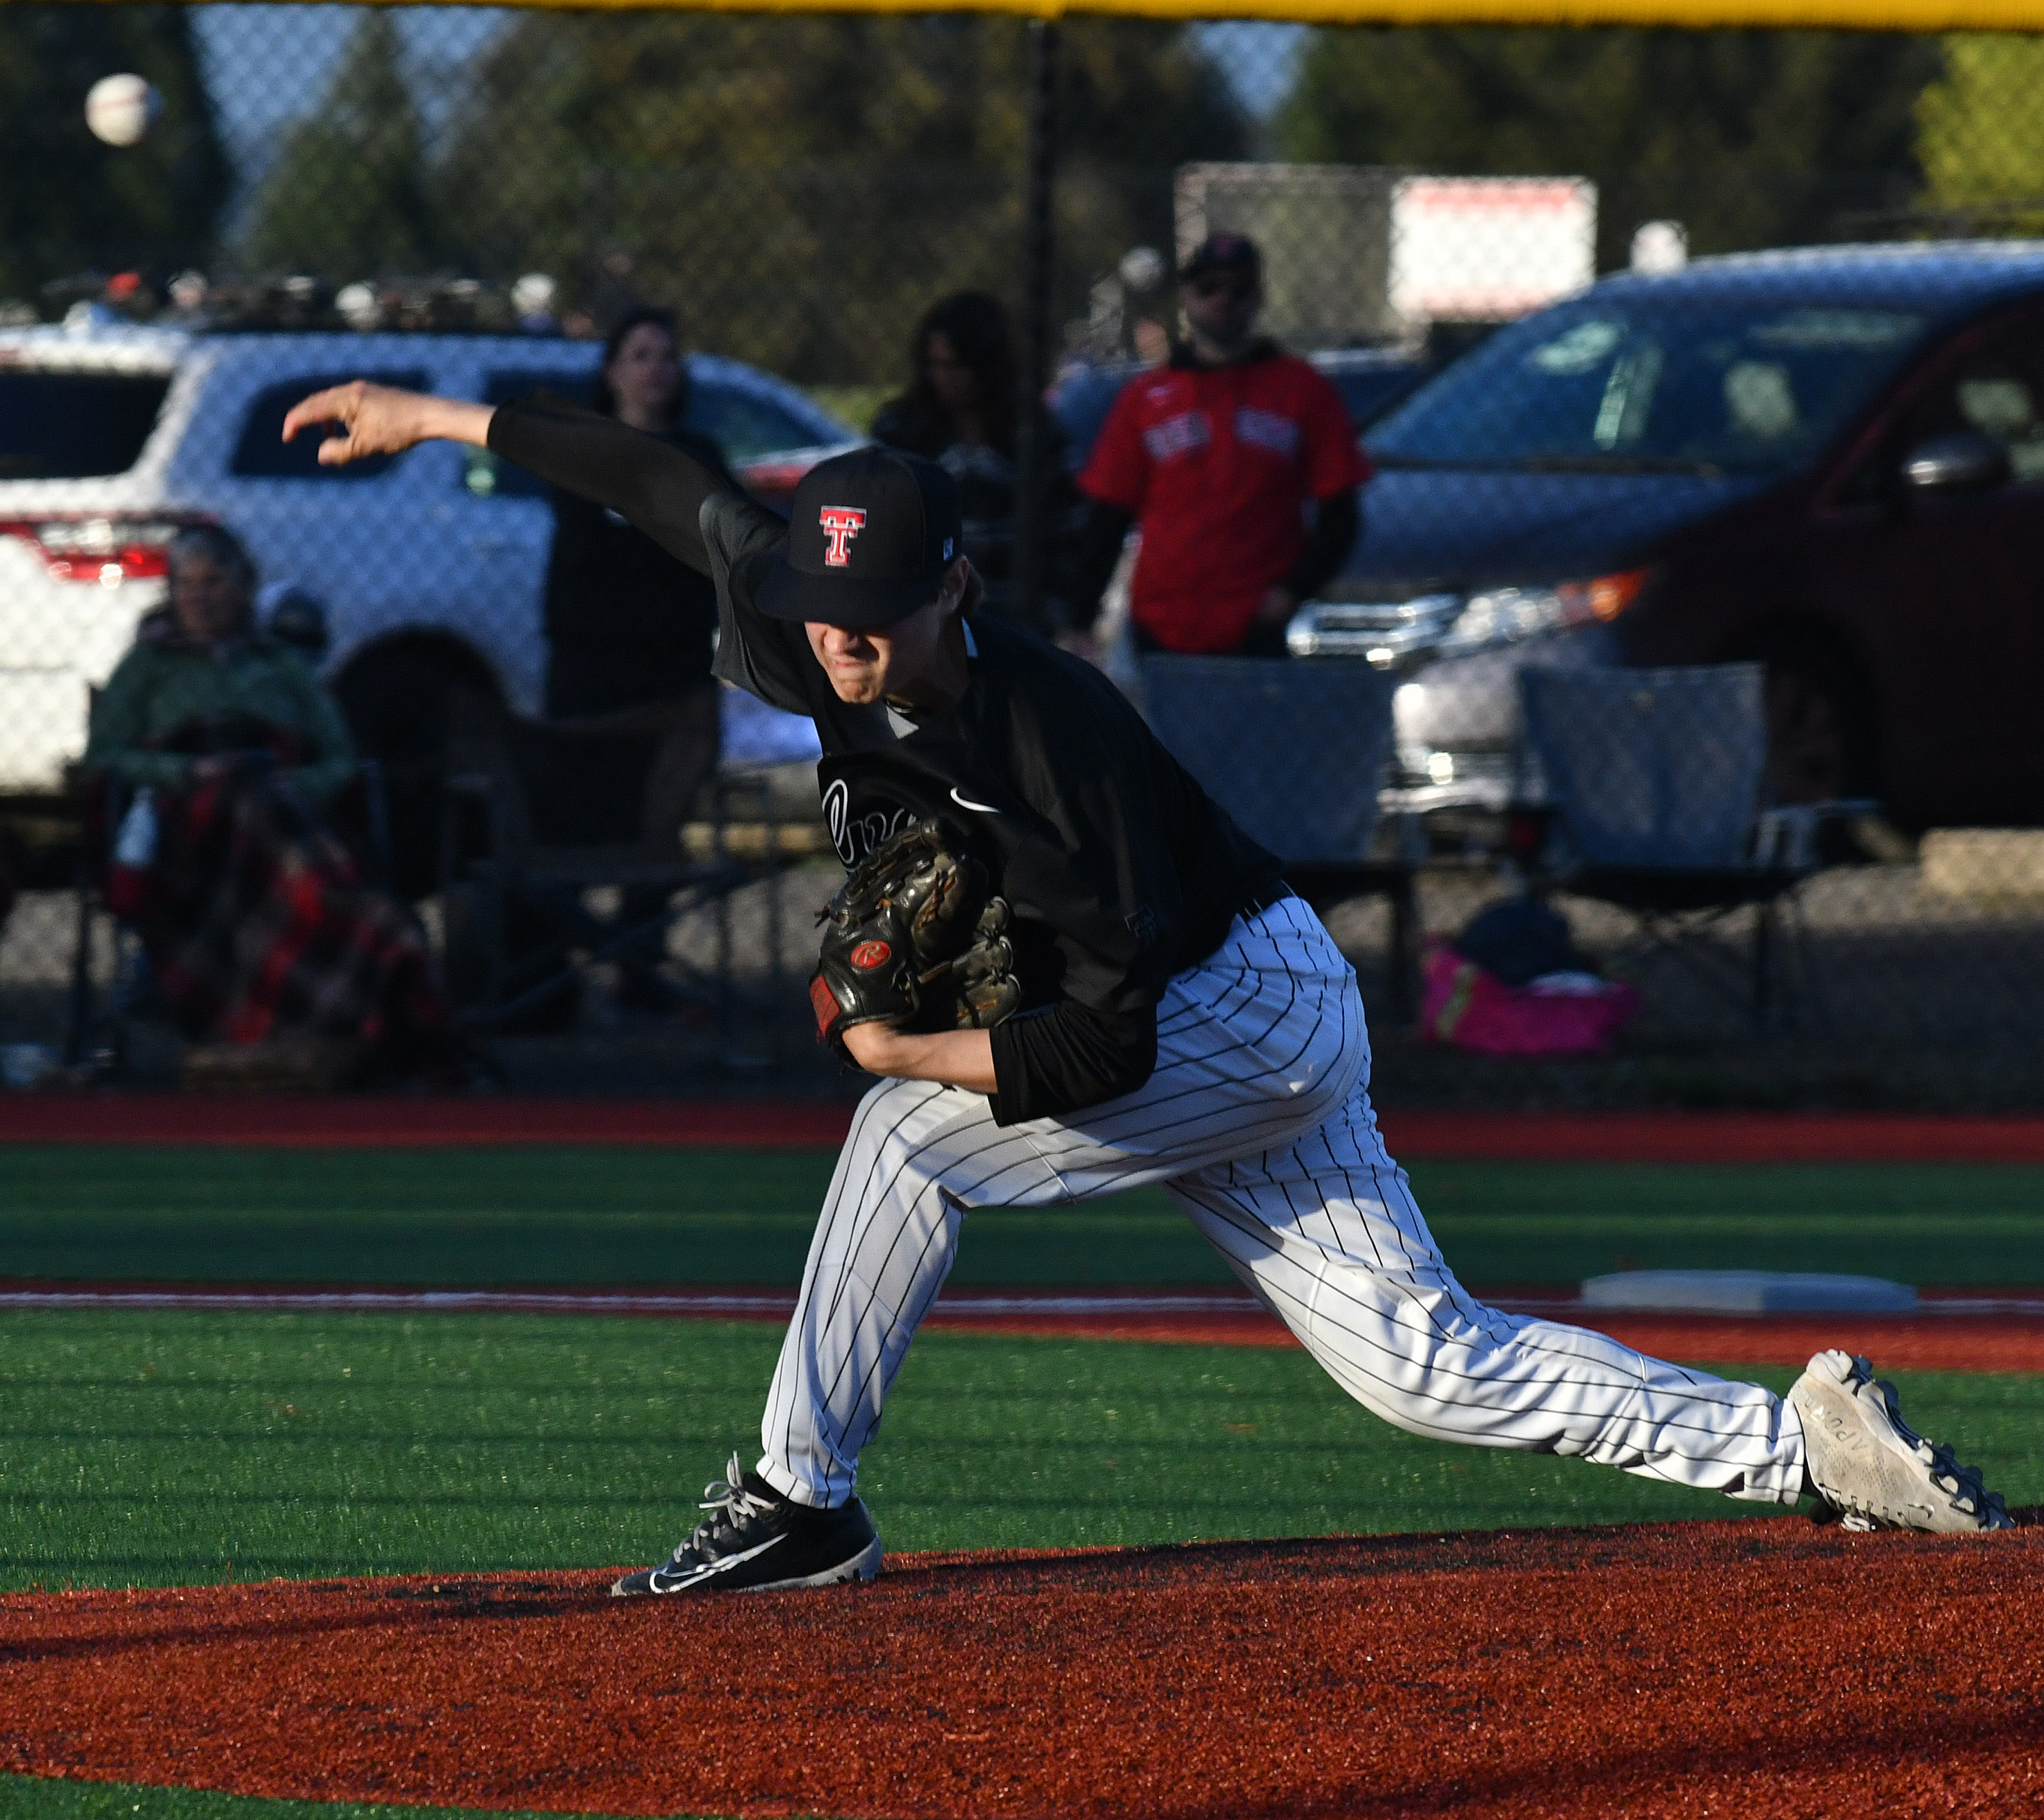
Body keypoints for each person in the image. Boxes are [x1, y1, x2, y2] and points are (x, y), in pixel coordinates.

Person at [283, 376, 2013, 1594]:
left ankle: (800, 1499)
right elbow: (662, 480)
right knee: (1420, 1358)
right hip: (1235, 1009)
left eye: (874, 609)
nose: (839, 638)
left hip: (1228, 1006)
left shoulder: (1056, 740)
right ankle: (1802, 1446)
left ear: (956, 585)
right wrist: (433, 419)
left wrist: (903, 1040)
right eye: (823, 606)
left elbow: (1101, 1034)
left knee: (904, 1132)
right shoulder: (799, 600)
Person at [83, 525, 453, 1089]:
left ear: (245, 588)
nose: (200, 596)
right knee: (242, 794)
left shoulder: (282, 665)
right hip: (195, 823)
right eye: (188, 584)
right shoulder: (148, 666)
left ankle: (337, 924)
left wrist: (295, 787)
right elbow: (106, 754)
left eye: (214, 582)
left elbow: (338, 759)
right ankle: (323, 917)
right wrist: (184, 771)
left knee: (266, 800)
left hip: (284, 813)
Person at [541, 307, 726, 1013]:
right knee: (579, 826)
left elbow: (708, 561)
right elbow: (585, 575)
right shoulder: (581, 455)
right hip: (592, 682)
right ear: (612, 371)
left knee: (659, 825)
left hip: (672, 681)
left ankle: (634, 963)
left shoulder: (698, 455)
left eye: (667, 356)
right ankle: (551, 974)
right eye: (640, 354)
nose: (656, 369)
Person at [1077, 234, 1370, 658]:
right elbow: (1108, 517)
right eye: (1207, 288)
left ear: (1259, 297)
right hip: (1162, 624)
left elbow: (1341, 514)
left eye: (1239, 289)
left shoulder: (1303, 390)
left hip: (1256, 628)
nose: (1222, 300)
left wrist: (1292, 592)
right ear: (1186, 296)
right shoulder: (1146, 397)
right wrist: (1081, 619)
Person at [869, 292, 1092, 639]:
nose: (943, 377)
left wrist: (1060, 613)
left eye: (957, 365)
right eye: (935, 364)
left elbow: (1071, 531)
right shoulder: (902, 431)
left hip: (1015, 621)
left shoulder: (1036, 436)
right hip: (926, 621)